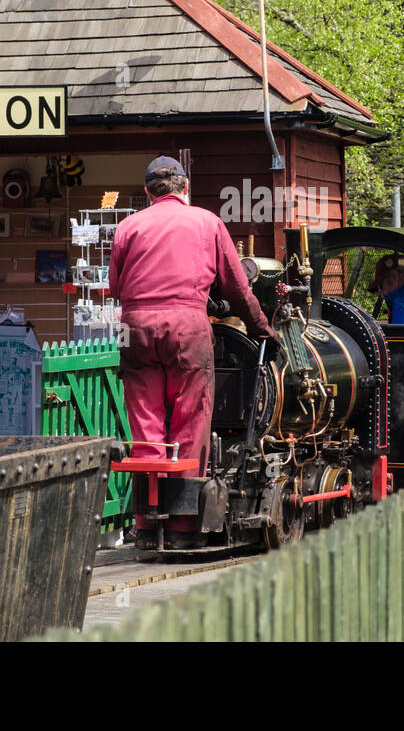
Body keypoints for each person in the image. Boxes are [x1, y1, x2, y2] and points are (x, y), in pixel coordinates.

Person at [109, 157, 275, 537]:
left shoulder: (127, 226)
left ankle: (146, 522)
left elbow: (116, 288)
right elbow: (236, 288)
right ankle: (184, 523)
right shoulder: (207, 222)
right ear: (185, 189)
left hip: (133, 329)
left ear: (149, 192)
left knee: (144, 423)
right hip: (187, 326)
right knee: (190, 418)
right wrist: (262, 329)